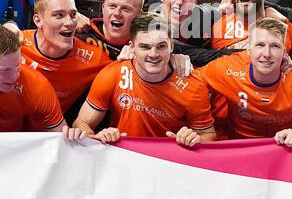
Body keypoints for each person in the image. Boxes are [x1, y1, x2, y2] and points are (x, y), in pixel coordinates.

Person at [75, 14, 216, 147]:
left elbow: (208, 135)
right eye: (145, 47)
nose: (153, 54)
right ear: (132, 47)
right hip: (123, 158)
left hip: (169, 163)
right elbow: (81, 123)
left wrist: (192, 139)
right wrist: (99, 137)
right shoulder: (113, 73)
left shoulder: (192, 85)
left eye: (161, 46)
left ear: (171, 46)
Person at [197, 17, 292, 145]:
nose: (266, 54)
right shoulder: (228, 68)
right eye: (260, 45)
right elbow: (194, 82)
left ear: (285, 52)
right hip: (240, 151)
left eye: (275, 46)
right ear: (249, 50)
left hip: (287, 153)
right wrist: (203, 128)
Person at [15, 0, 111, 117]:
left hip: (55, 132)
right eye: (59, 15)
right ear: (38, 20)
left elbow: (125, 71)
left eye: (73, 14)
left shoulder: (92, 56)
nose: (69, 22)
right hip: (5, 132)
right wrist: (9, 23)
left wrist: (131, 53)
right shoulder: (16, 43)